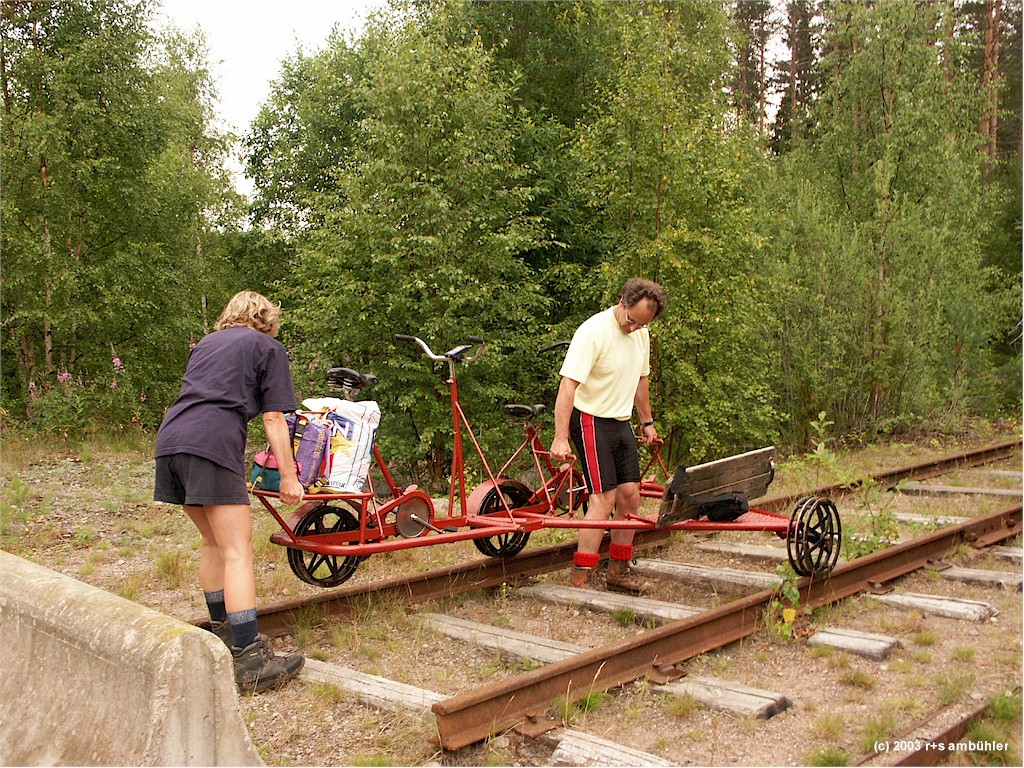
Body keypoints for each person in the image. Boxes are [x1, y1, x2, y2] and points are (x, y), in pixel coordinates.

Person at [154, 291, 306, 694]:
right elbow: (274, 418)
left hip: (171, 440)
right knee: (238, 550)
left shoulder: (206, 343)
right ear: (266, 320)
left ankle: (223, 633)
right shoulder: (267, 346)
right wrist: (288, 476)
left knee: (213, 543)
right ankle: (251, 658)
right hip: (211, 442)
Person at [549, 277, 667, 594]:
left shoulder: (641, 334)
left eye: (641, 325)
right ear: (621, 302)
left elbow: (641, 381)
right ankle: (581, 575)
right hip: (588, 418)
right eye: (631, 321)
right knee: (603, 498)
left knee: (631, 495)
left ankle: (618, 569)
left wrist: (647, 421)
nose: (634, 329)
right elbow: (568, 386)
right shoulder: (593, 331)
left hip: (619, 421)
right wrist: (560, 437)